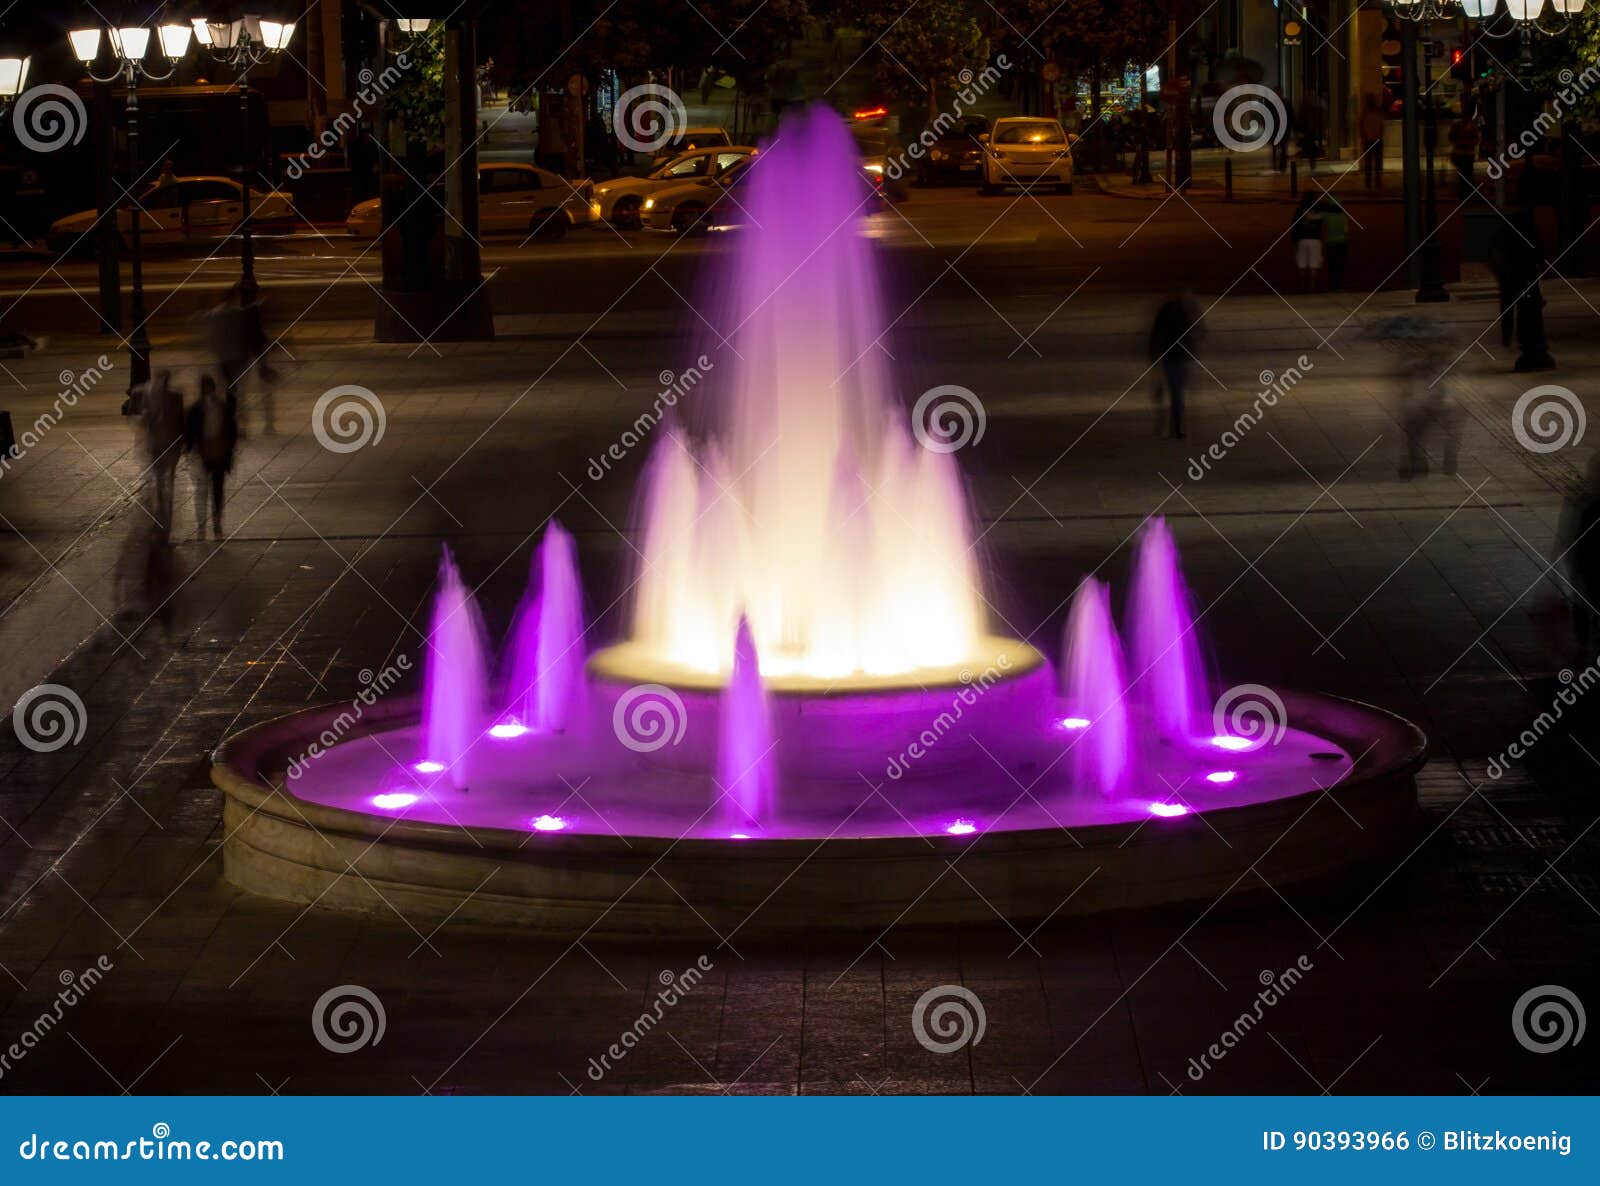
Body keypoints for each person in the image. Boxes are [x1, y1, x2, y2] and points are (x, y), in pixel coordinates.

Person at [184, 374, 237, 540]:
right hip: (205, 454)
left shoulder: (217, 407)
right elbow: (190, 432)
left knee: (215, 491)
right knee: (205, 491)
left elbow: (231, 431)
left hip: (217, 453)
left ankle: (215, 524)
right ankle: (205, 526)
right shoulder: (198, 409)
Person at [1148, 291, 1203, 439]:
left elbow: (1156, 333)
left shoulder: (1167, 311)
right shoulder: (1185, 311)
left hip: (1170, 356)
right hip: (1179, 356)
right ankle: (1176, 426)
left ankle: (1170, 424)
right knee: (1178, 392)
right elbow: (1195, 332)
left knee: (1174, 391)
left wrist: (1153, 353)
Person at [138, 369, 185, 537]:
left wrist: (182, 443)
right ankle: (161, 509)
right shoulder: (149, 396)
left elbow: (181, 421)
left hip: (171, 444)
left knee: (169, 478)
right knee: (158, 478)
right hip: (157, 444)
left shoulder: (176, 397)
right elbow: (145, 420)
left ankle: (167, 507)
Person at [1448, 105, 1481, 201]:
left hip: (1464, 152)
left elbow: (1452, 137)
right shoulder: (1462, 126)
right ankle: (1466, 192)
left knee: (1466, 173)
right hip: (1463, 153)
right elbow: (1452, 137)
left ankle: (1466, 192)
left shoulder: (1462, 126)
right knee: (1466, 173)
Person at [1291, 192, 1323, 291]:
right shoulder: (1319, 210)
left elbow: (1294, 227)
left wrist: (1294, 242)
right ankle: (1312, 287)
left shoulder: (1300, 211)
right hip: (1315, 239)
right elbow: (1321, 226)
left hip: (1302, 240)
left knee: (1302, 266)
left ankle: (1302, 287)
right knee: (1314, 266)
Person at [1319, 195, 1349, 292]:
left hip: (1330, 243)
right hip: (1342, 243)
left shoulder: (1326, 216)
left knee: (1332, 265)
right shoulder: (1343, 216)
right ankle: (1339, 286)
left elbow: (1323, 229)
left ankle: (1332, 285)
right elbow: (1346, 230)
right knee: (1340, 265)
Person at [1359, 94, 1385, 189]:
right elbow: (1362, 125)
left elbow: (1361, 125)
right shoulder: (1368, 112)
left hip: (1373, 139)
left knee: (1372, 162)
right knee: (1372, 162)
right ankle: (1372, 181)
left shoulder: (1366, 112)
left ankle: (1372, 181)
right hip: (1372, 139)